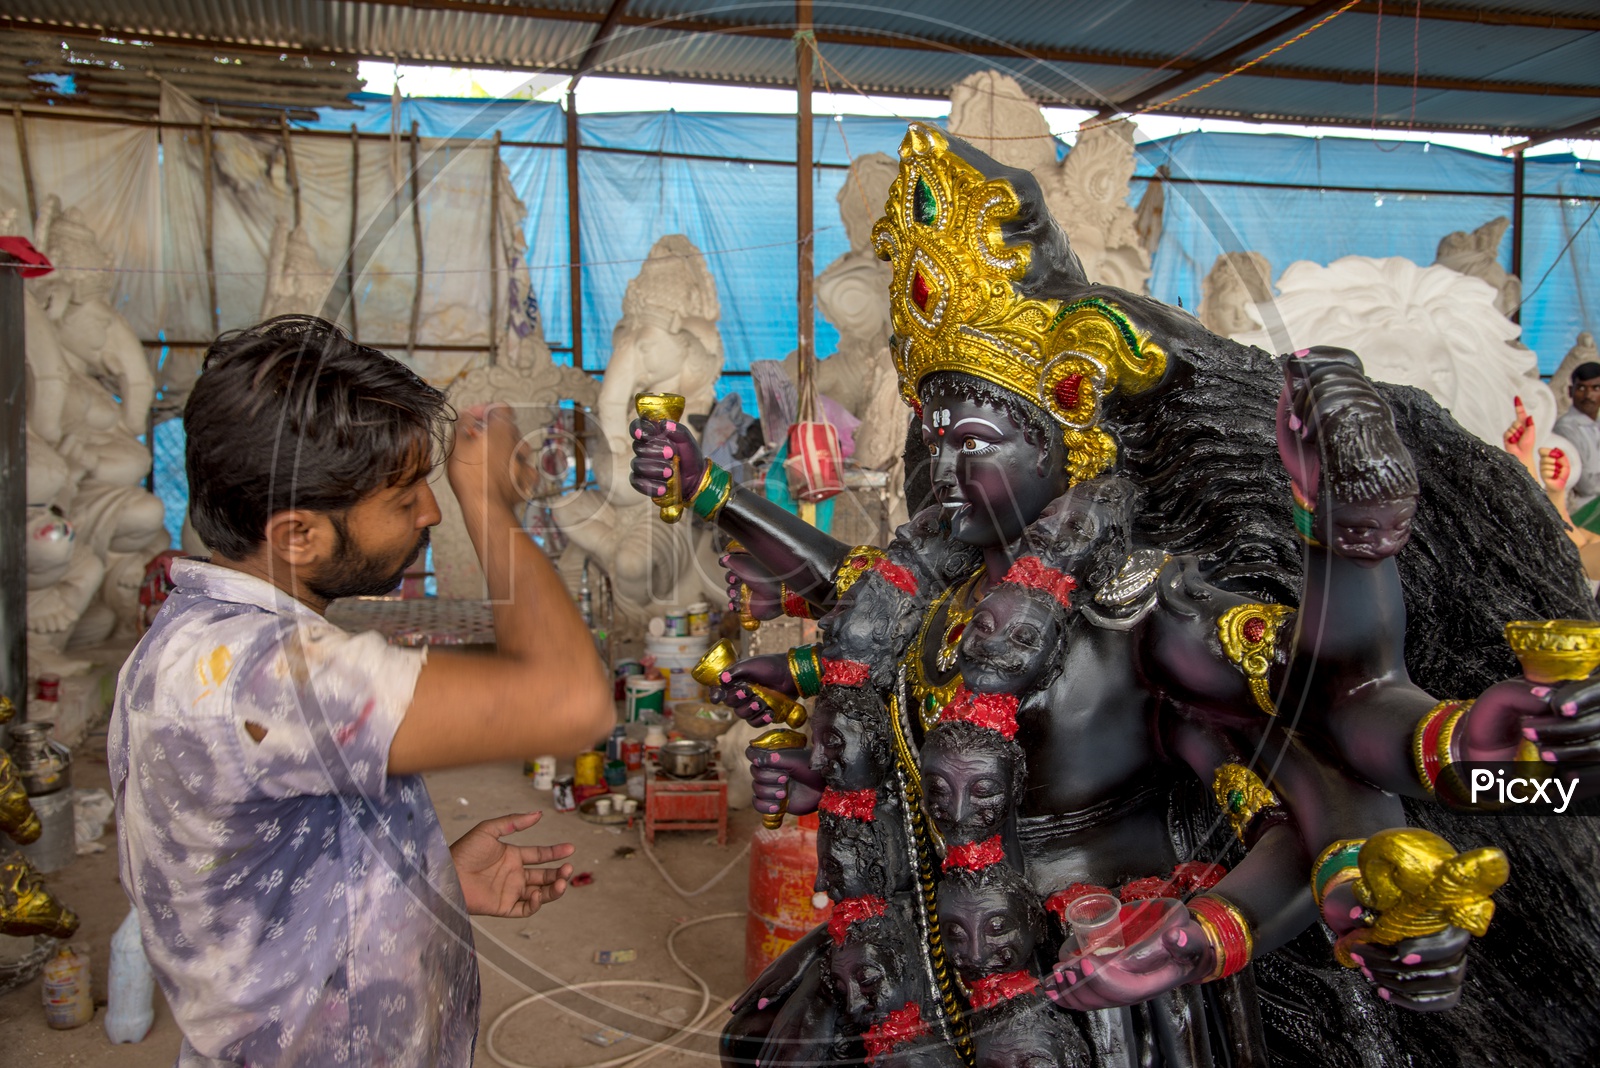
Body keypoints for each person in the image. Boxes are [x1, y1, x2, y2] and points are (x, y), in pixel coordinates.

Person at [109, 316, 614, 1067]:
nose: (430, 511)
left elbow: (264, 871)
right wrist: (487, 502)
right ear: (297, 535)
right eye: (405, 495)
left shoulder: (200, 636)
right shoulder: (259, 675)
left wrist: (417, 884)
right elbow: (571, 702)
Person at [1553, 360, 1600, 524]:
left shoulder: (1597, 424)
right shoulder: (1565, 428)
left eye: (1596, 388)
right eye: (1581, 388)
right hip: (1581, 513)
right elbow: (1587, 485)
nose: (1588, 396)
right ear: (1570, 391)